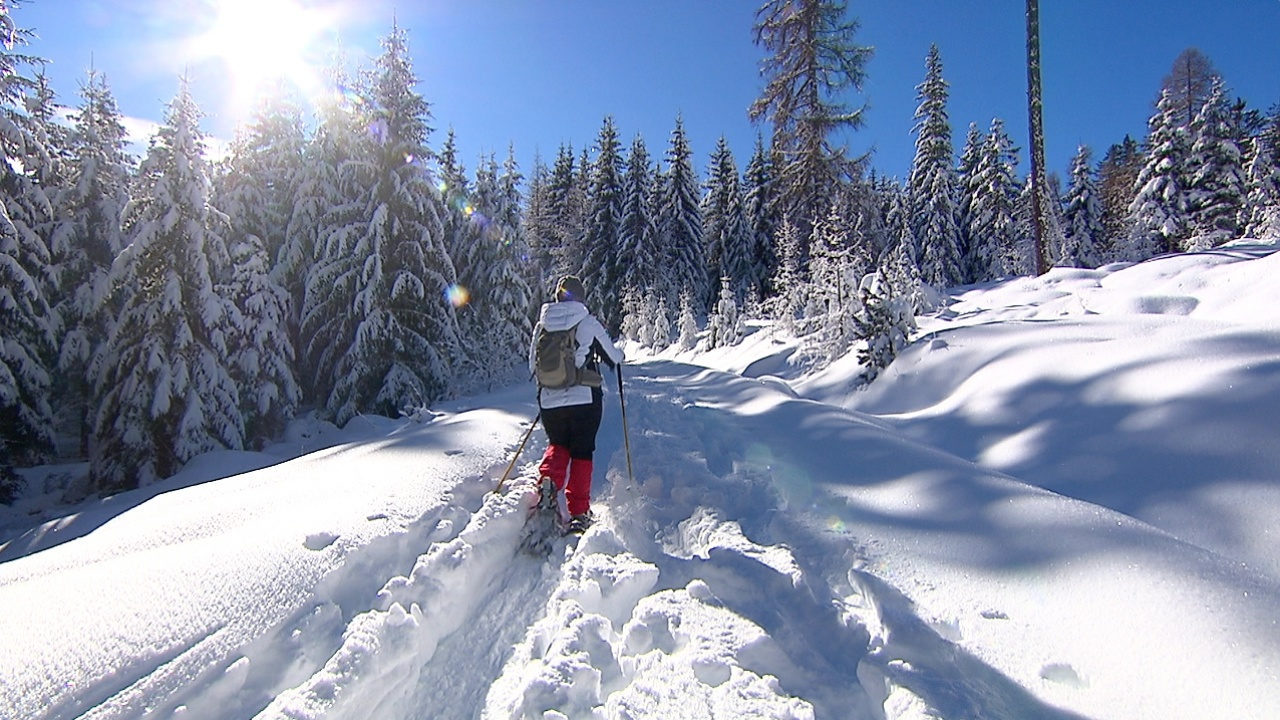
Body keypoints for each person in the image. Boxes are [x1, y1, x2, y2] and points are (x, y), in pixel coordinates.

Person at [528, 275, 624, 534]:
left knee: (558, 445)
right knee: (582, 452)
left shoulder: (543, 325)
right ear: (580, 297)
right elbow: (614, 357)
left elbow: (531, 366)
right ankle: (579, 512)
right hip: (585, 399)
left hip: (549, 400)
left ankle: (548, 484)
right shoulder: (587, 322)